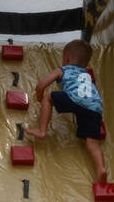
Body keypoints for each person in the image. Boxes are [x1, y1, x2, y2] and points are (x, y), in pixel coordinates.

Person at [24, 39, 108, 182]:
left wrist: (40, 98)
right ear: (85, 64)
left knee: (49, 97)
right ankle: (101, 168)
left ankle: (42, 130)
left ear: (67, 58)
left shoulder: (63, 69)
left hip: (76, 99)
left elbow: (41, 85)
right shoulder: (86, 75)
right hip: (95, 106)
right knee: (92, 142)